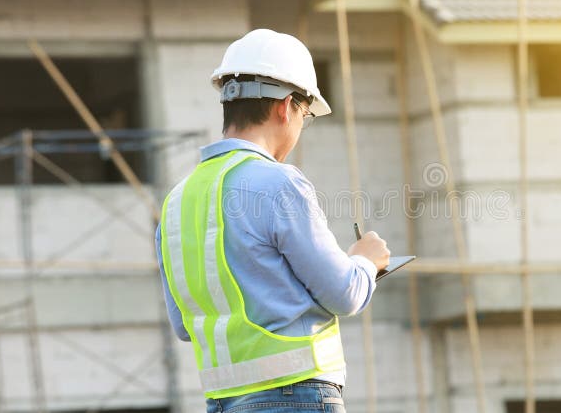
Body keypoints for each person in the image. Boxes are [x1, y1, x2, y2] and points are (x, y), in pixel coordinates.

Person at [155, 29, 390, 412]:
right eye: (306, 115)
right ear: (286, 107)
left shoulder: (176, 202)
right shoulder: (277, 183)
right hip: (295, 396)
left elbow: (186, 325)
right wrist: (365, 260)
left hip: (222, 401)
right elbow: (345, 293)